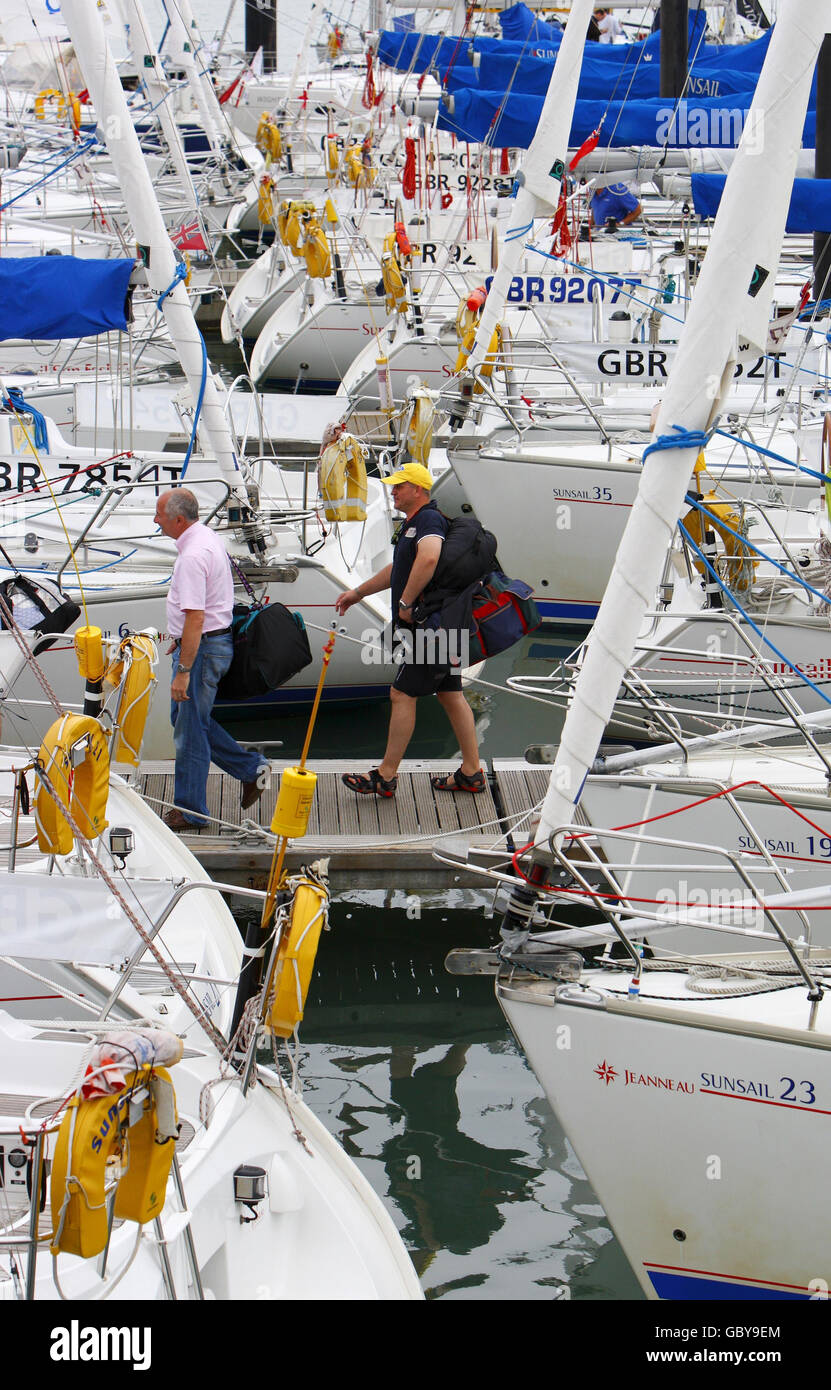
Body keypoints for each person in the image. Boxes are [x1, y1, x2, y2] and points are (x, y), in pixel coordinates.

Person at [334, 462, 484, 797]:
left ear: (417, 489)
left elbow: (429, 558)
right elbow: (397, 568)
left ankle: (386, 775)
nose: (393, 491)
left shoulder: (428, 519)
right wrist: (358, 593)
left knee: (401, 694)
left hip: (430, 627)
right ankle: (471, 772)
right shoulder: (414, 524)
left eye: (399, 486)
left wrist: (405, 603)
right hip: (442, 625)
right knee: (450, 693)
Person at [154, 487, 267, 830]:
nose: (155, 521)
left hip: (203, 649)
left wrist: (183, 670)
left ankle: (190, 811)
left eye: (159, 515)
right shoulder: (206, 537)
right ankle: (250, 768)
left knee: (188, 731)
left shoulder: (191, 557)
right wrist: (181, 643)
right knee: (188, 720)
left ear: (177, 519)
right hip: (207, 643)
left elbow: (196, 618)